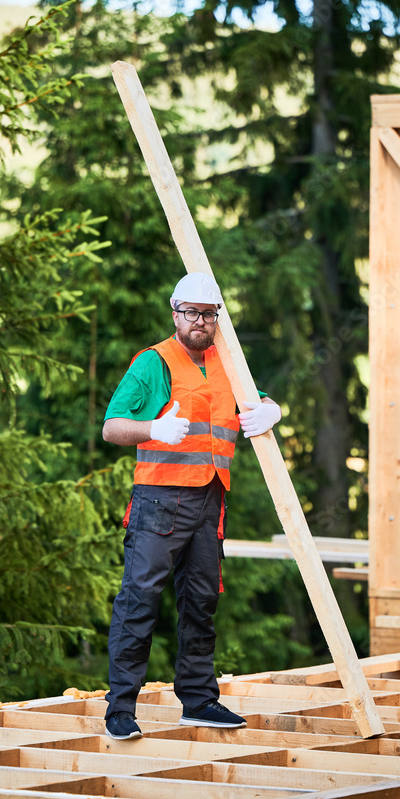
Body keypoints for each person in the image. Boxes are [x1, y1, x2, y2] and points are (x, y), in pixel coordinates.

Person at [102, 272, 281, 740]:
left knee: (201, 601)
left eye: (208, 314)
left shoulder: (228, 361)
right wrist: (152, 430)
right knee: (139, 601)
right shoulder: (154, 362)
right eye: (191, 313)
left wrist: (272, 408)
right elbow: (112, 427)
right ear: (175, 311)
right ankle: (120, 708)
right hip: (159, 499)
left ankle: (198, 700)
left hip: (209, 498)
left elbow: (251, 401)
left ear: (217, 317)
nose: (199, 321)